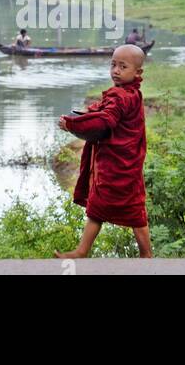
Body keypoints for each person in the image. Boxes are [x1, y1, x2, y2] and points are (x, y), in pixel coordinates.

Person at [56, 44, 151, 258]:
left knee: (129, 209)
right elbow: (105, 112)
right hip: (123, 162)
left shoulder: (121, 96)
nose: (115, 70)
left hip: (118, 165)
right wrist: (92, 111)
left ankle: (146, 254)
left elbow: (104, 121)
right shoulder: (132, 93)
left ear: (138, 72)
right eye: (113, 65)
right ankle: (82, 251)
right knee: (100, 207)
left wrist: (72, 124)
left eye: (122, 66)